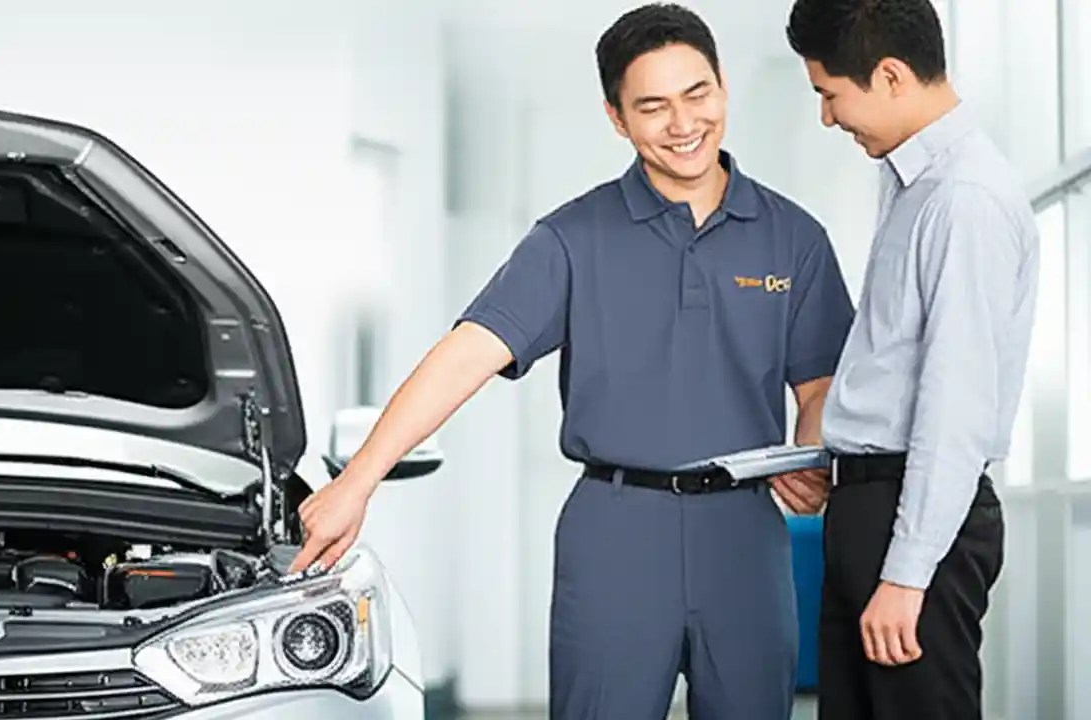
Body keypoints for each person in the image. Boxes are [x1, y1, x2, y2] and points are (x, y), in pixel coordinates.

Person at [293, 3, 854, 717]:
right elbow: (467, 353)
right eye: (652, 107)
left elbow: (820, 380)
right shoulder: (570, 237)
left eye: (697, 94)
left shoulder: (795, 239)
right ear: (618, 118)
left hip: (745, 537)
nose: (683, 125)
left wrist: (809, 446)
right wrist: (360, 479)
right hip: (614, 532)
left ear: (722, 88)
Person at [784, 1, 1040, 718]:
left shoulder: (964, 199)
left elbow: (955, 404)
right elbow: (895, 368)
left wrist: (906, 573)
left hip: (911, 516)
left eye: (830, 94)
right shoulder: (912, 181)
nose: (829, 118)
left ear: (890, 75)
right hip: (870, 504)